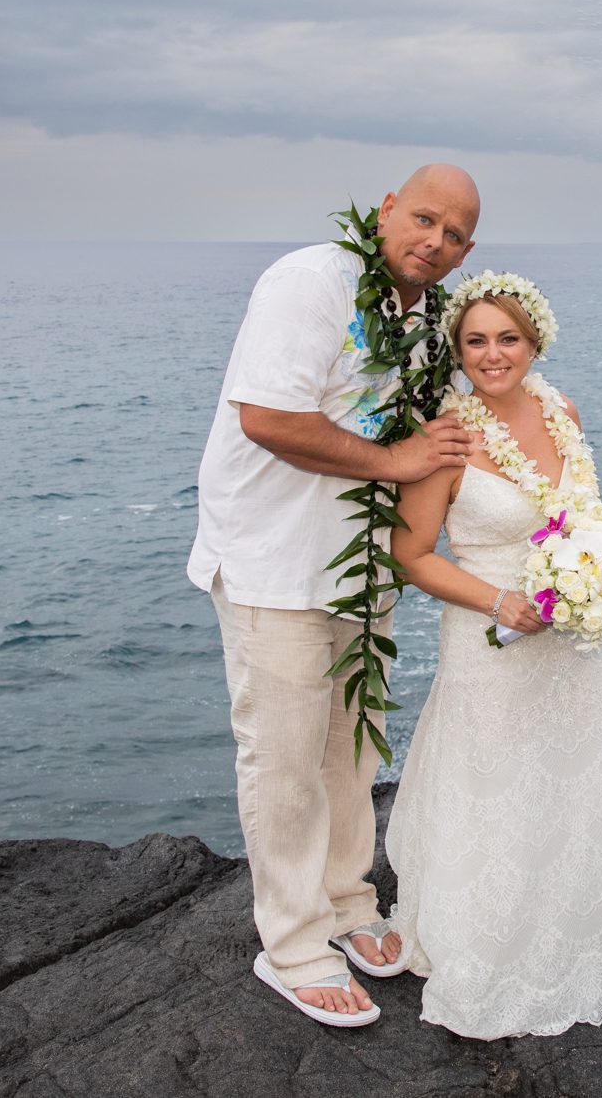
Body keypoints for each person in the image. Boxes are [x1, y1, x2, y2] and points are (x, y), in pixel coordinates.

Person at [385, 273, 602, 1038]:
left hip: (573, 641)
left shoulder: (562, 411)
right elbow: (411, 554)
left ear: (534, 341)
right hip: (492, 640)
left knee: (580, 771)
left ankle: (590, 922)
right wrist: (497, 600)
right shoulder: (448, 435)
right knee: (498, 780)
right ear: (457, 349)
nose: (492, 353)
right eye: (475, 340)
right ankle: (495, 942)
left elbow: (582, 516)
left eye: (507, 337)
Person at [187, 164, 481, 1026]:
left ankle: (349, 900)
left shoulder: (426, 318)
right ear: (387, 209)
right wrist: (393, 461)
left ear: (466, 250)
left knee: (351, 743)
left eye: (454, 234)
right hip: (272, 560)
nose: (434, 241)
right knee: (282, 756)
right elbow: (268, 416)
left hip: (358, 564)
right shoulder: (312, 281)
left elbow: (443, 426)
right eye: (423, 218)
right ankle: (292, 942)